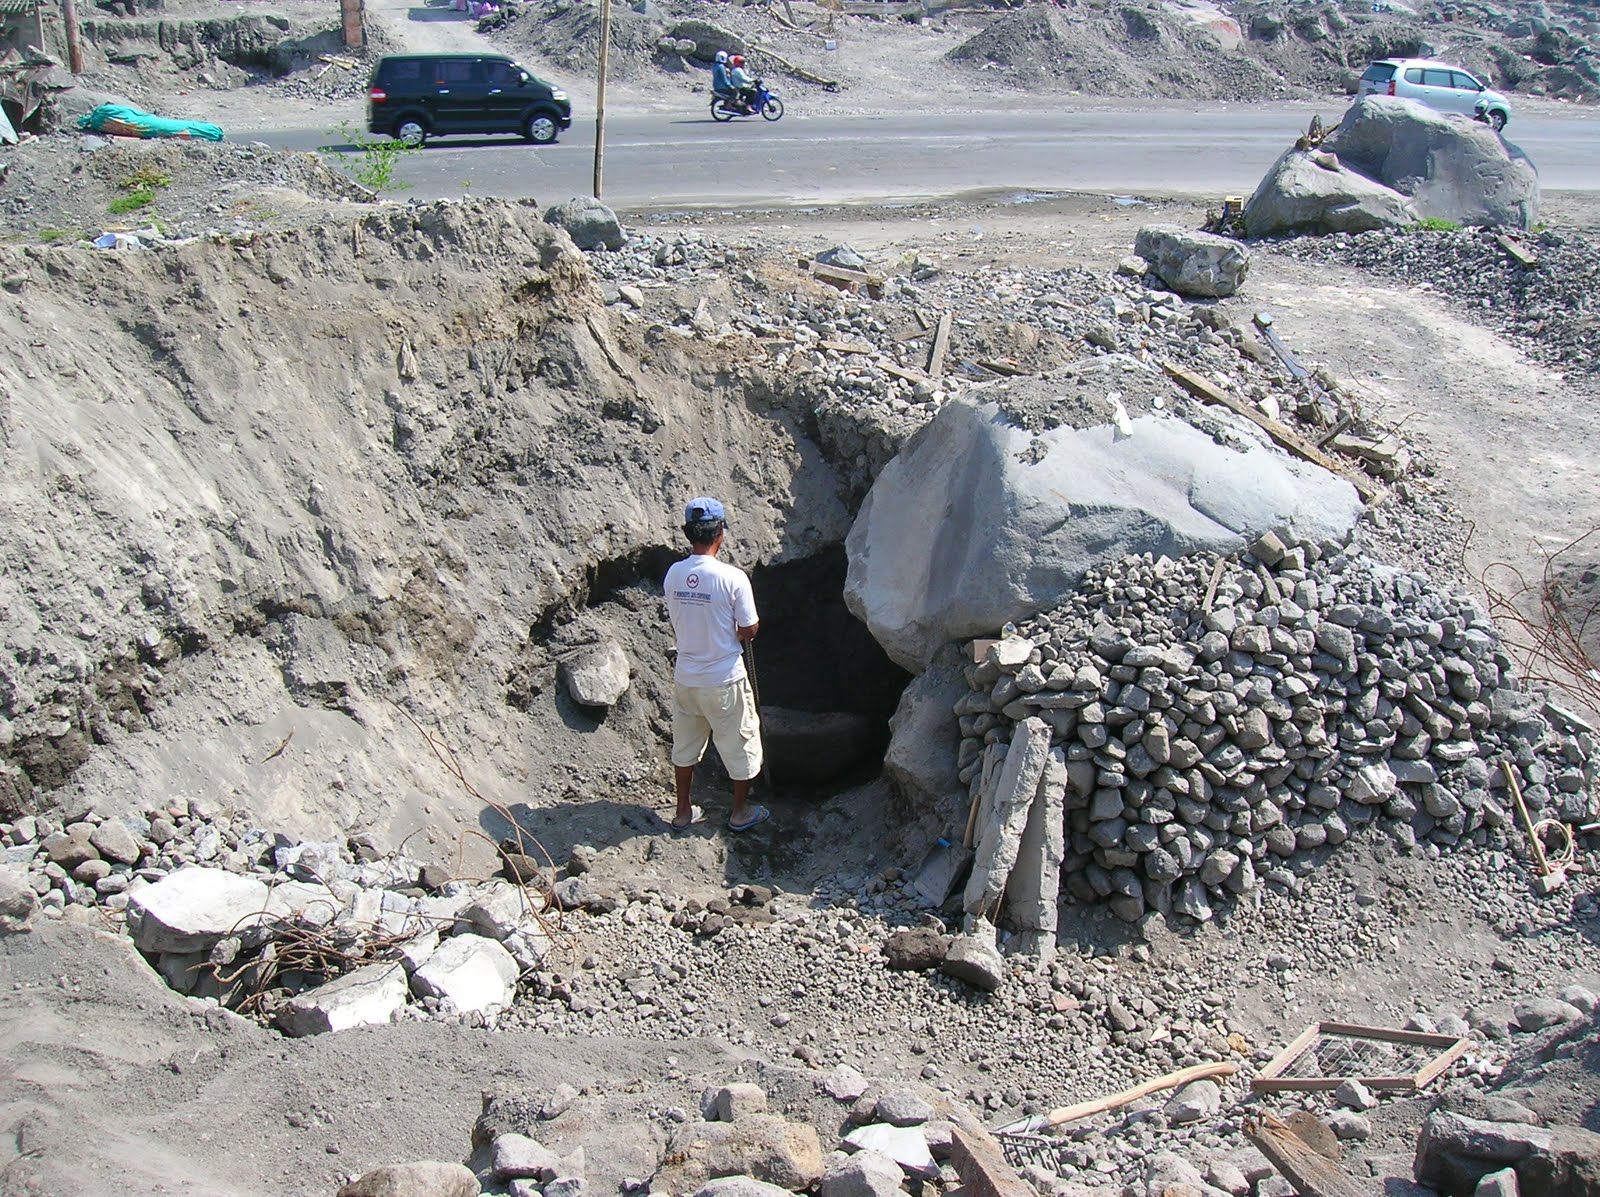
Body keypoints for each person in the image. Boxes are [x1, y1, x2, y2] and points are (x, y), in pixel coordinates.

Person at [662, 496, 769, 833]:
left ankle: (682, 813)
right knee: (741, 744)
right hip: (724, 679)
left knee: (685, 746)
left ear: (689, 533)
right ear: (720, 532)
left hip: (687, 678)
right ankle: (739, 813)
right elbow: (749, 628)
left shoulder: (674, 574)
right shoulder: (733, 578)